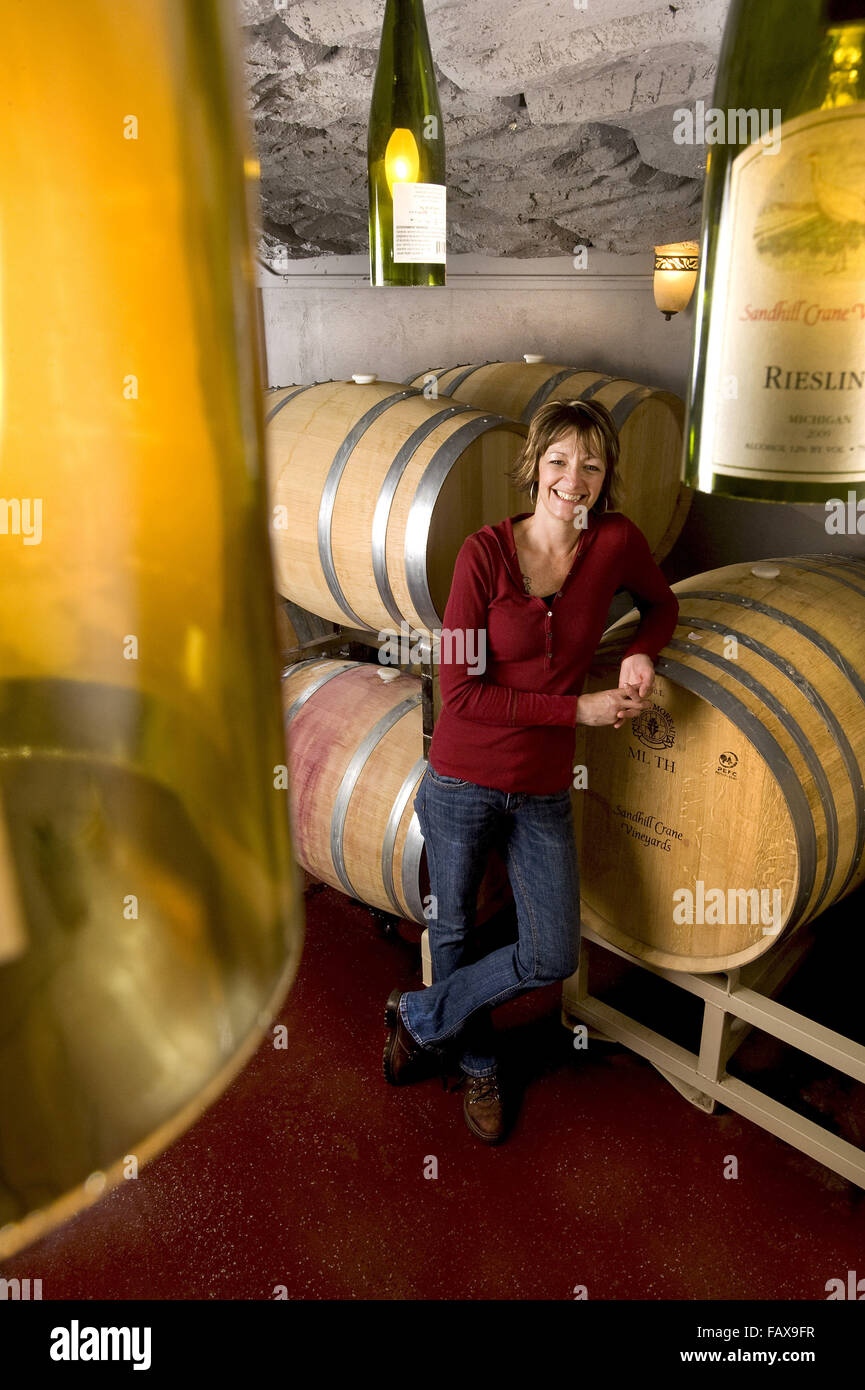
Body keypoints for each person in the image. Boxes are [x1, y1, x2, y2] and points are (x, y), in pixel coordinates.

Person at [382, 397, 680, 1144]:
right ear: (533, 468)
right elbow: (461, 692)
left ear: (605, 476)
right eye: (557, 461)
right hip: (460, 776)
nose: (571, 478)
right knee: (451, 929)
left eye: (589, 464)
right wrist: (574, 711)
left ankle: (421, 1015)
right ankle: (478, 1062)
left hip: (541, 788)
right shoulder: (482, 555)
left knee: (549, 949)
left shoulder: (613, 542)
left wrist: (643, 647)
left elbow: (660, 604)